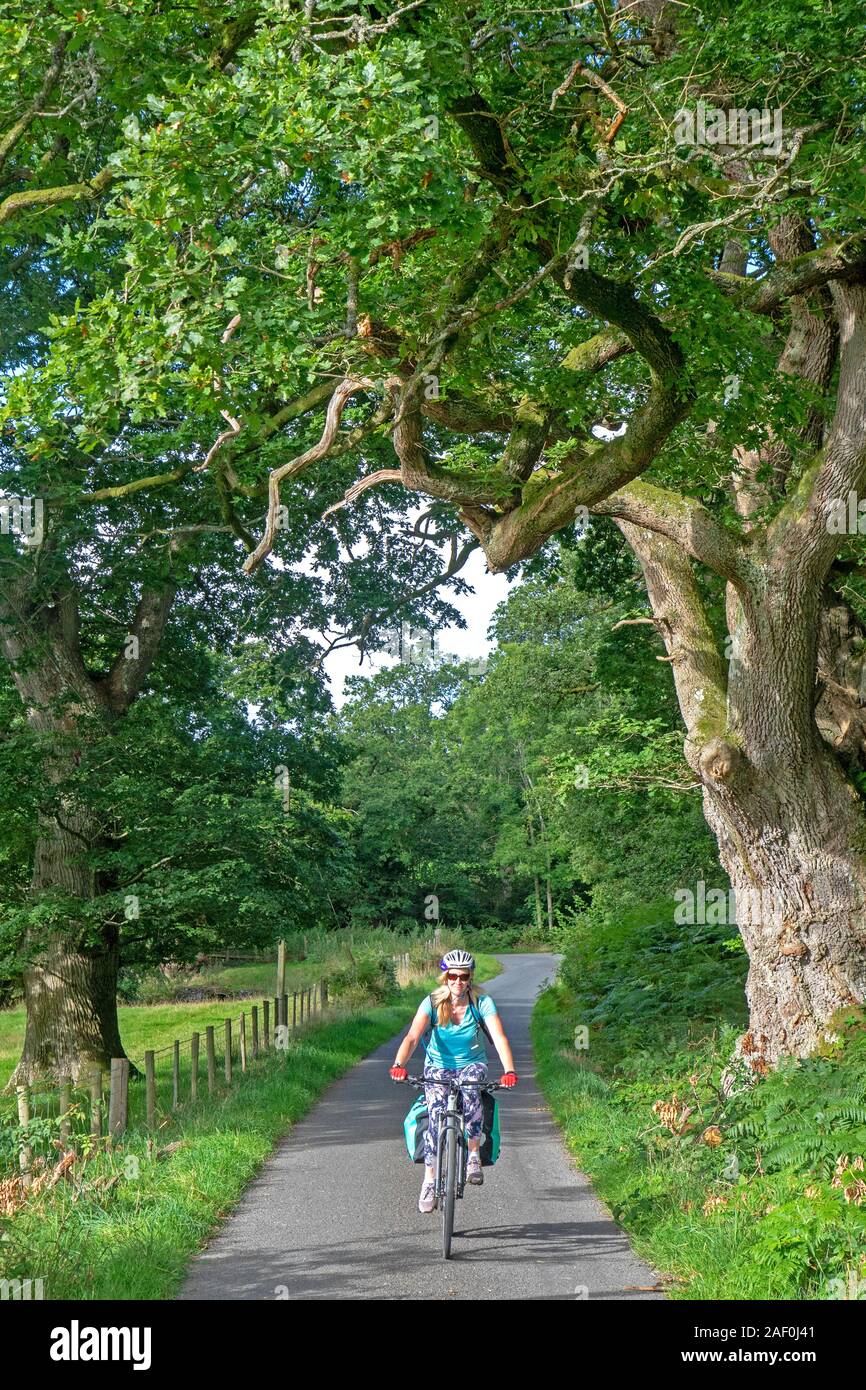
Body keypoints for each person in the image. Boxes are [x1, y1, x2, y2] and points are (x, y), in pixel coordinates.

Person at [389, 948, 518, 1213]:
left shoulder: (482, 1003)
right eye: (452, 976)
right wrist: (399, 1065)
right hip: (438, 1066)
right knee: (435, 1116)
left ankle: (473, 1155)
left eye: (463, 976)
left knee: (472, 1094)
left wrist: (509, 1070)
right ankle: (429, 1180)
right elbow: (412, 1037)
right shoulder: (432, 1002)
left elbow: (500, 1037)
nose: (458, 982)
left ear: (471, 977)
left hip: (472, 1064)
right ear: (444, 977)